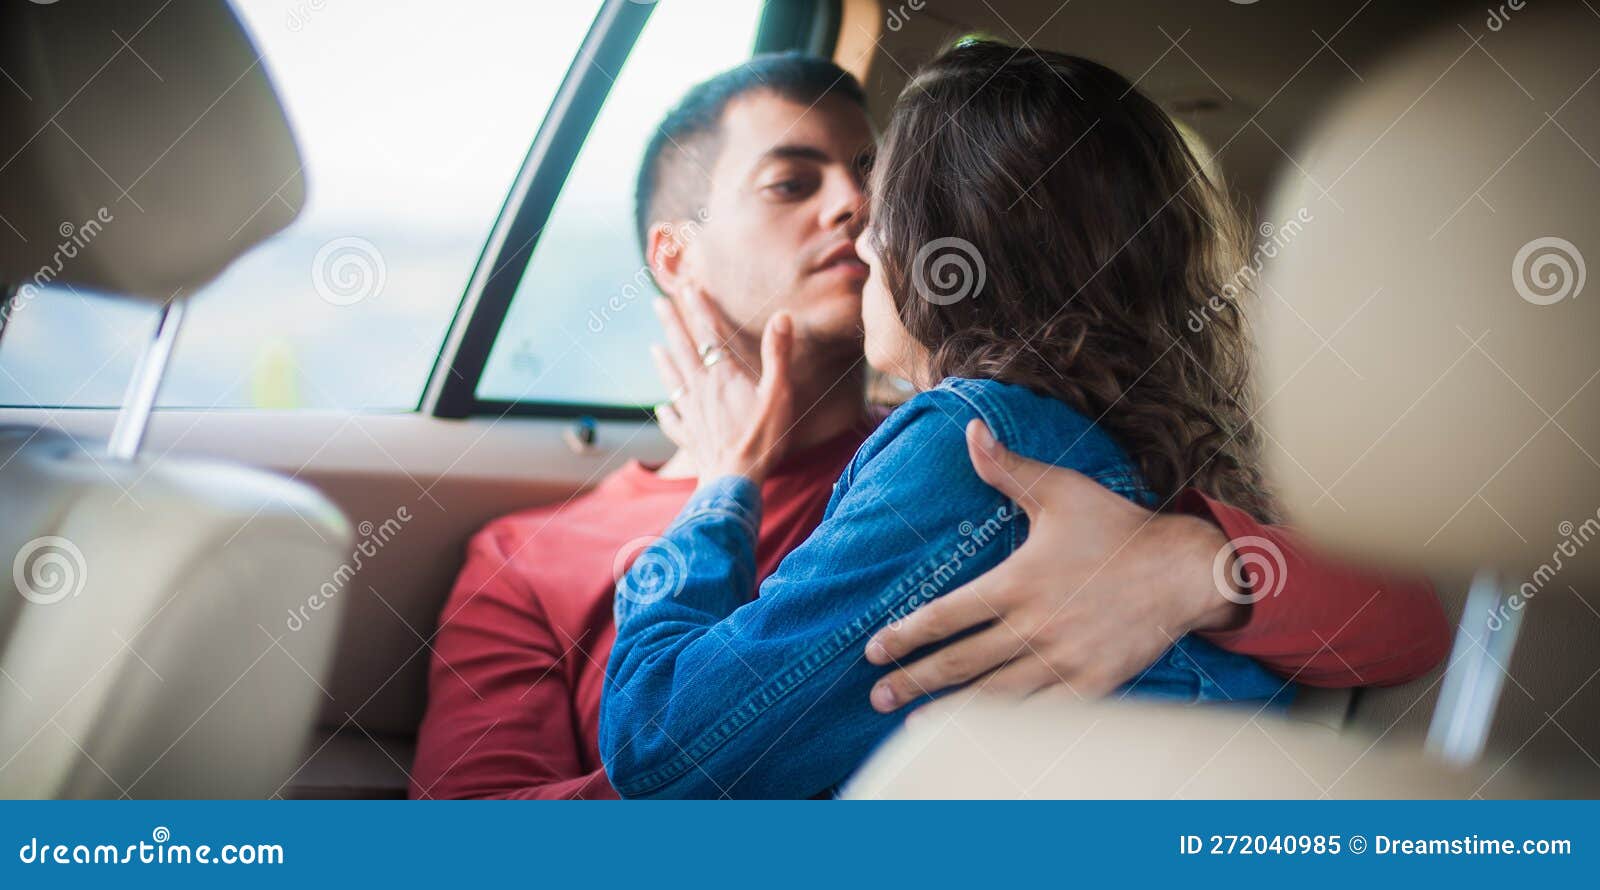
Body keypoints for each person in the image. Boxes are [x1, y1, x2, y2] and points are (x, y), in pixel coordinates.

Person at [410, 52, 1447, 801]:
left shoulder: (1031, 469)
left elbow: (1408, 616)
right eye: (792, 181)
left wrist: (1194, 566)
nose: (851, 206)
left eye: (874, 177)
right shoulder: (526, 555)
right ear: (674, 256)